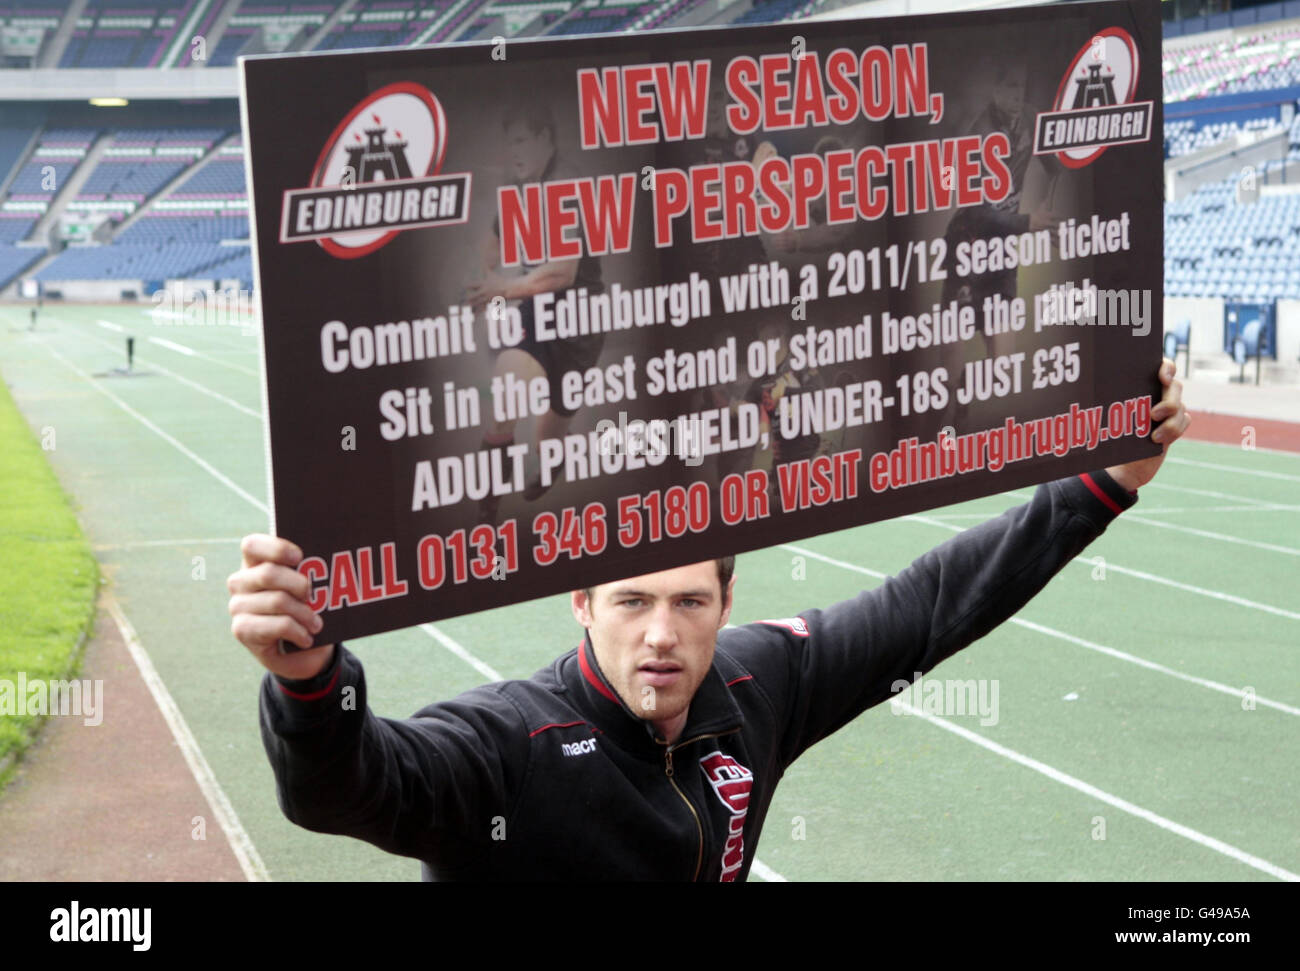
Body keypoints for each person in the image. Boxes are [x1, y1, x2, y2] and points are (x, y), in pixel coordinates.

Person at [229, 361, 1189, 881]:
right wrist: (310, 683)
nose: (661, 633)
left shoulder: (755, 682)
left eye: (690, 601)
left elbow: (924, 609)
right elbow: (344, 790)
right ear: (580, 602)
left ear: (728, 602)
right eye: (632, 601)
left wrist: (1097, 485)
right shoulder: (505, 745)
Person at [464, 102, 605, 523]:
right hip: (535, 311)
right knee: (505, 395)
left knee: (552, 431)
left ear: (547, 139)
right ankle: (487, 510)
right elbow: (488, 249)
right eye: (510, 144)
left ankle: (551, 460)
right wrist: (481, 281)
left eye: (522, 140)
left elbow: (562, 273)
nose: (514, 152)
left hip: (579, 319)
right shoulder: (519, 184)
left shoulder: (565, 183)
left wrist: (501, 289)